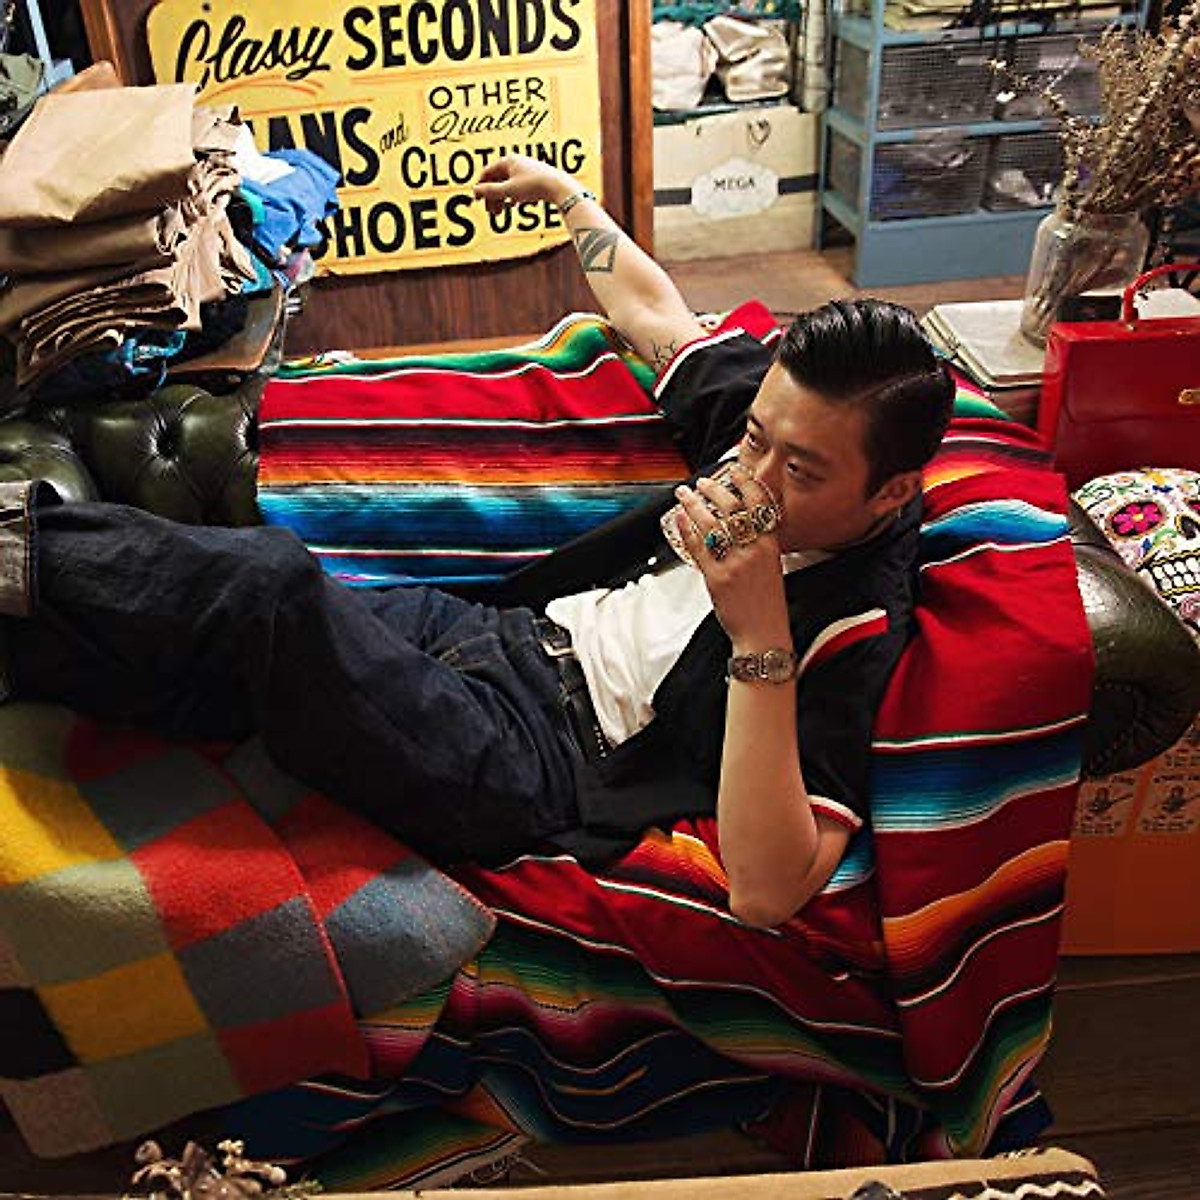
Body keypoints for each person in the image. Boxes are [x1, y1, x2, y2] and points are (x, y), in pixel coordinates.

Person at [0, 156, 953, 929]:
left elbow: (768, 889)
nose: (757, 475)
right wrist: (570, 198)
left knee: (272, 589)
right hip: (489, 634)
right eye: (753, 438)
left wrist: (758, 637)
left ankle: (14, 540)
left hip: (531, 755)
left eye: (802, 471)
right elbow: (658, 316)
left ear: (892, 491)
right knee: (220, 659)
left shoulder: (859, 619)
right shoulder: (780, 425)